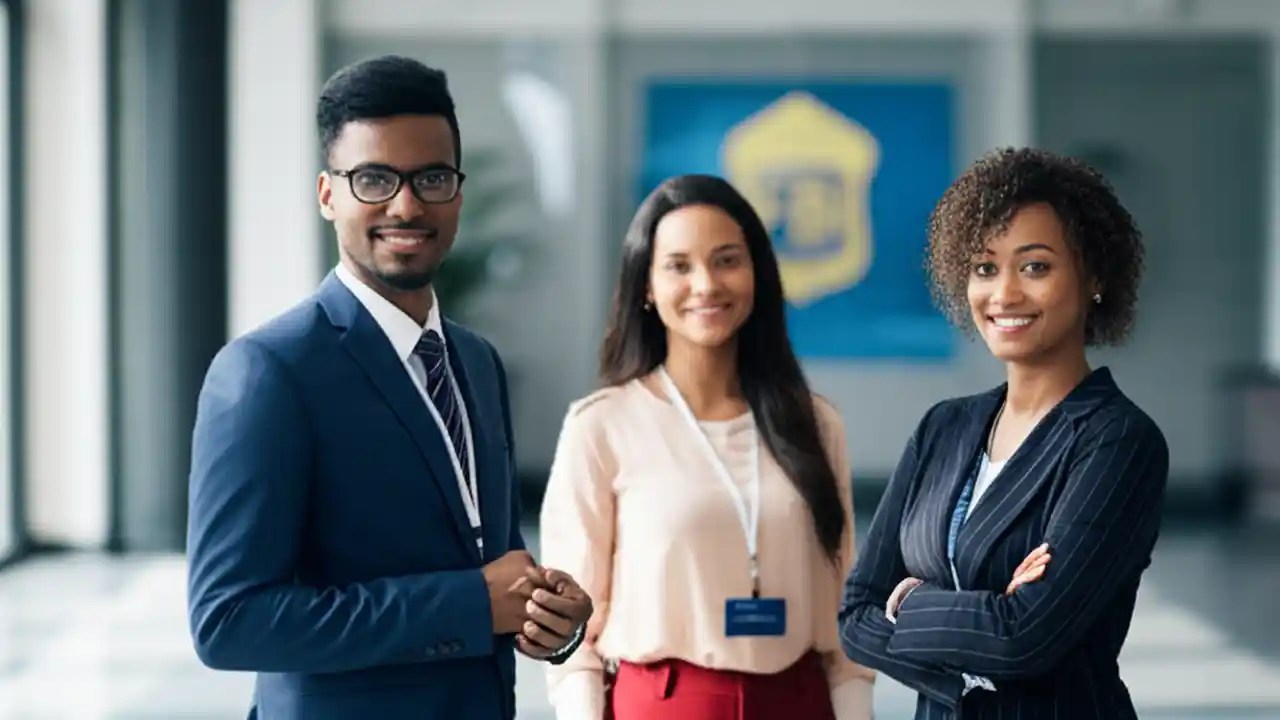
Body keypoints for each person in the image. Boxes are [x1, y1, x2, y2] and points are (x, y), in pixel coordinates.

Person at [185, 55, 592, 720]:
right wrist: (469, 603)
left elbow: (482, 561)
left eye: (431, 178)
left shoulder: (476, 363)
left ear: (457, 190)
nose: (406, 205)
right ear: (327, 194)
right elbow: (229, 620)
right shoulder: (267, 372)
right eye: (374, 179)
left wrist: (544, 614)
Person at [838, 147, 1168, 719]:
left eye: (1035, 266)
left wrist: (912, 600)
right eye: (985, 268)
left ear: (1093, 277)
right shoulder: (944, 428)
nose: (1004, 294)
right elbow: (854, 617)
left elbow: (1025, 637)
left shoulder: (1117, 440)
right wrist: (979, 625)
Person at [538, 174, 876, 720]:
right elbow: (573, 630)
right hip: (664, 702)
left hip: (797, 699)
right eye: (678, 265)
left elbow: (843, 611)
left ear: (756, 275)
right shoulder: (601, 426)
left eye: (726, 260)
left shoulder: (814, 423)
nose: (706, 284)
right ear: (646, 285)